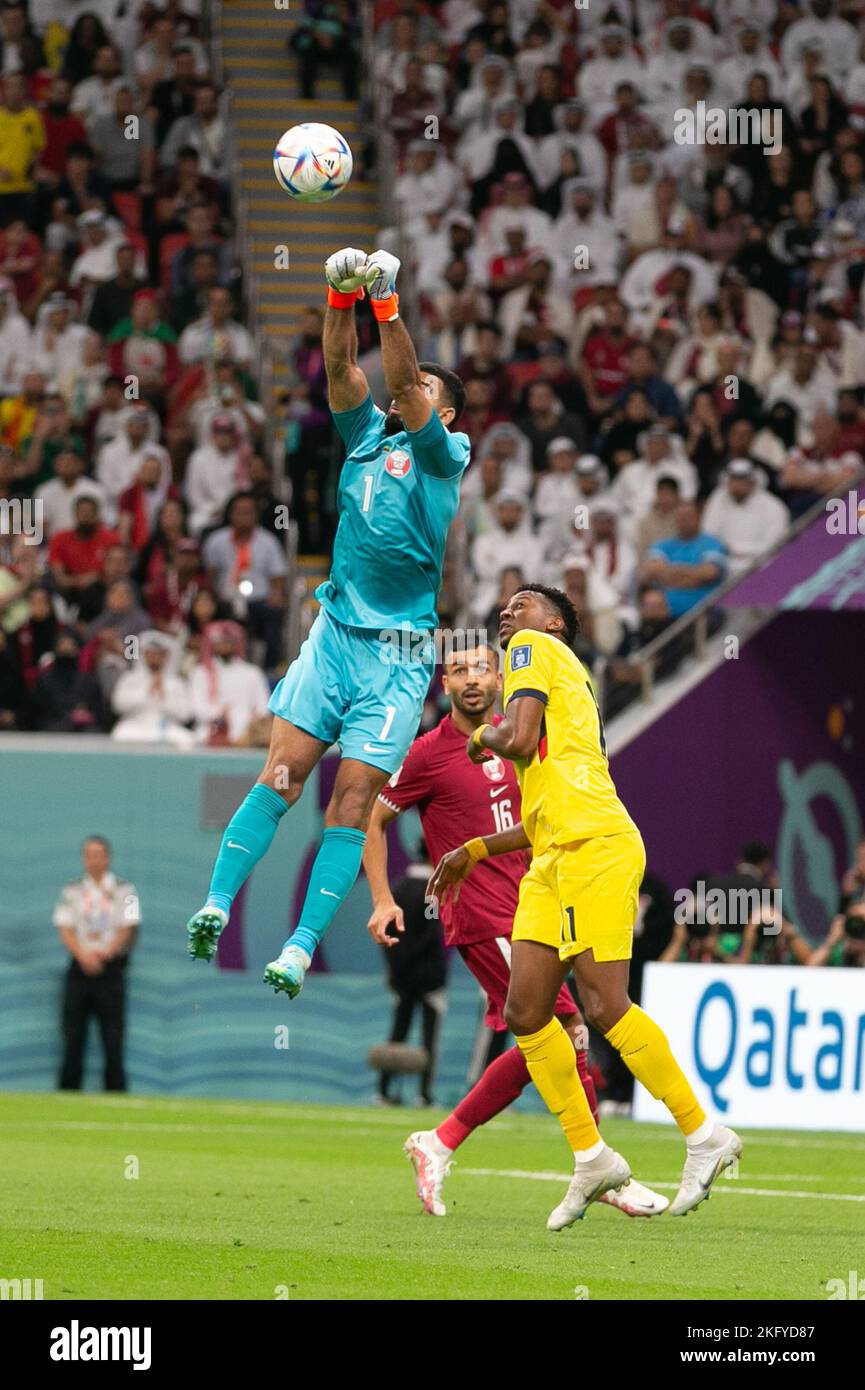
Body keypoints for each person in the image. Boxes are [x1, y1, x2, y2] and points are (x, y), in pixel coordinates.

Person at [184, 245, 470, 999]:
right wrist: (338, 296)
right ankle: (216, 901)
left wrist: (387, 302)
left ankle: (301, 946)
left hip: (400, 655)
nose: (405, 394)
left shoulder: (445, 457)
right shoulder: (366, 437)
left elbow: (403, 381)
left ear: (443, 415)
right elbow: (344, 370)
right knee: (279, 775)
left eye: (424, 392)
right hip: (336, 636)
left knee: (351, 803)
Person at [428, 584, 741, 1228]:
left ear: (558, 625)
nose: (510, 611)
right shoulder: (555, 683)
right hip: (556, 854)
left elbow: (512, 741)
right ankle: (592, 1155)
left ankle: (704, 1134)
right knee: (525, 1010)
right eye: (507, 605)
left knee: (603, 1005)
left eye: (527, 602)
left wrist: (480, 736)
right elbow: (541, 812)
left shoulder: (531, 650)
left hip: (594, 847)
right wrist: (477, 849)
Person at [365, 641, 666, 1219]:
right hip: (483, 914)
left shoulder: (520, 741)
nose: (472, 679)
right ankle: (600, 1168)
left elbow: (540, 825)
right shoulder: (428, 754)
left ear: (502, 679)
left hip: (536, 904)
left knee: (552, 1038)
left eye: (482, 668)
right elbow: (372, 819)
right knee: (565, 1026)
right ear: (445, 685)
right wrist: (382, 899)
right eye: (459, 671)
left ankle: (441, 1141)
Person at [54, 834, 140, 1091]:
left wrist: (106, 953)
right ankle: (68, 1094)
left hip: (110, 969)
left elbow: (130, 926)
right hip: (79, 968)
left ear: (107, 858)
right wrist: (83, 956)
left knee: (113, 1037)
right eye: (88, 855)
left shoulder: (126, 890)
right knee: (73, 1036)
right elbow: (64, 927)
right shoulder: (71, 890)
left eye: (98, 854)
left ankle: (115, 1092)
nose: (93, 860)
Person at [376, 842, 447, 1108]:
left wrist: (398, 970)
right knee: (429, 1037)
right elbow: (431, 935)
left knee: (398, 1032)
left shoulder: (399, 888)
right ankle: (424, 1094)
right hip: (429, 979)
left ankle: (383, 1091)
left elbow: (389, 932)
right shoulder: (432, 893)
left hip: (402, 977)